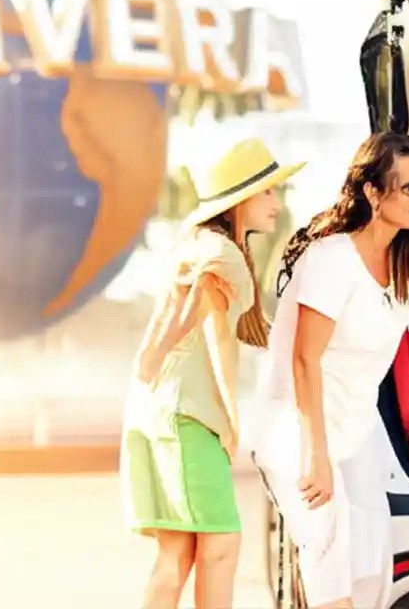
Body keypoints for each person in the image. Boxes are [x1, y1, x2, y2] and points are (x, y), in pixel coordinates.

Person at [250, 133, 409, 609]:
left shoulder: (401, 262)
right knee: (329, 541)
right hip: (300, 420)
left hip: (357, 421)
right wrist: (316, 455)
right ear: (372, 192)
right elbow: (304, 361)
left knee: (369, 547)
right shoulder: (332, 260)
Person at [120, 137, 304, 609]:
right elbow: (200, 294)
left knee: (179, 552)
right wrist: (161, 349)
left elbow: (247, 328)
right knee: (219, 544)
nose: (276, 203)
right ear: (241, 198)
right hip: (186, 414)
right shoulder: (218, 251)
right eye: (268, 192)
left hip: (167, 408)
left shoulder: (217, 246)